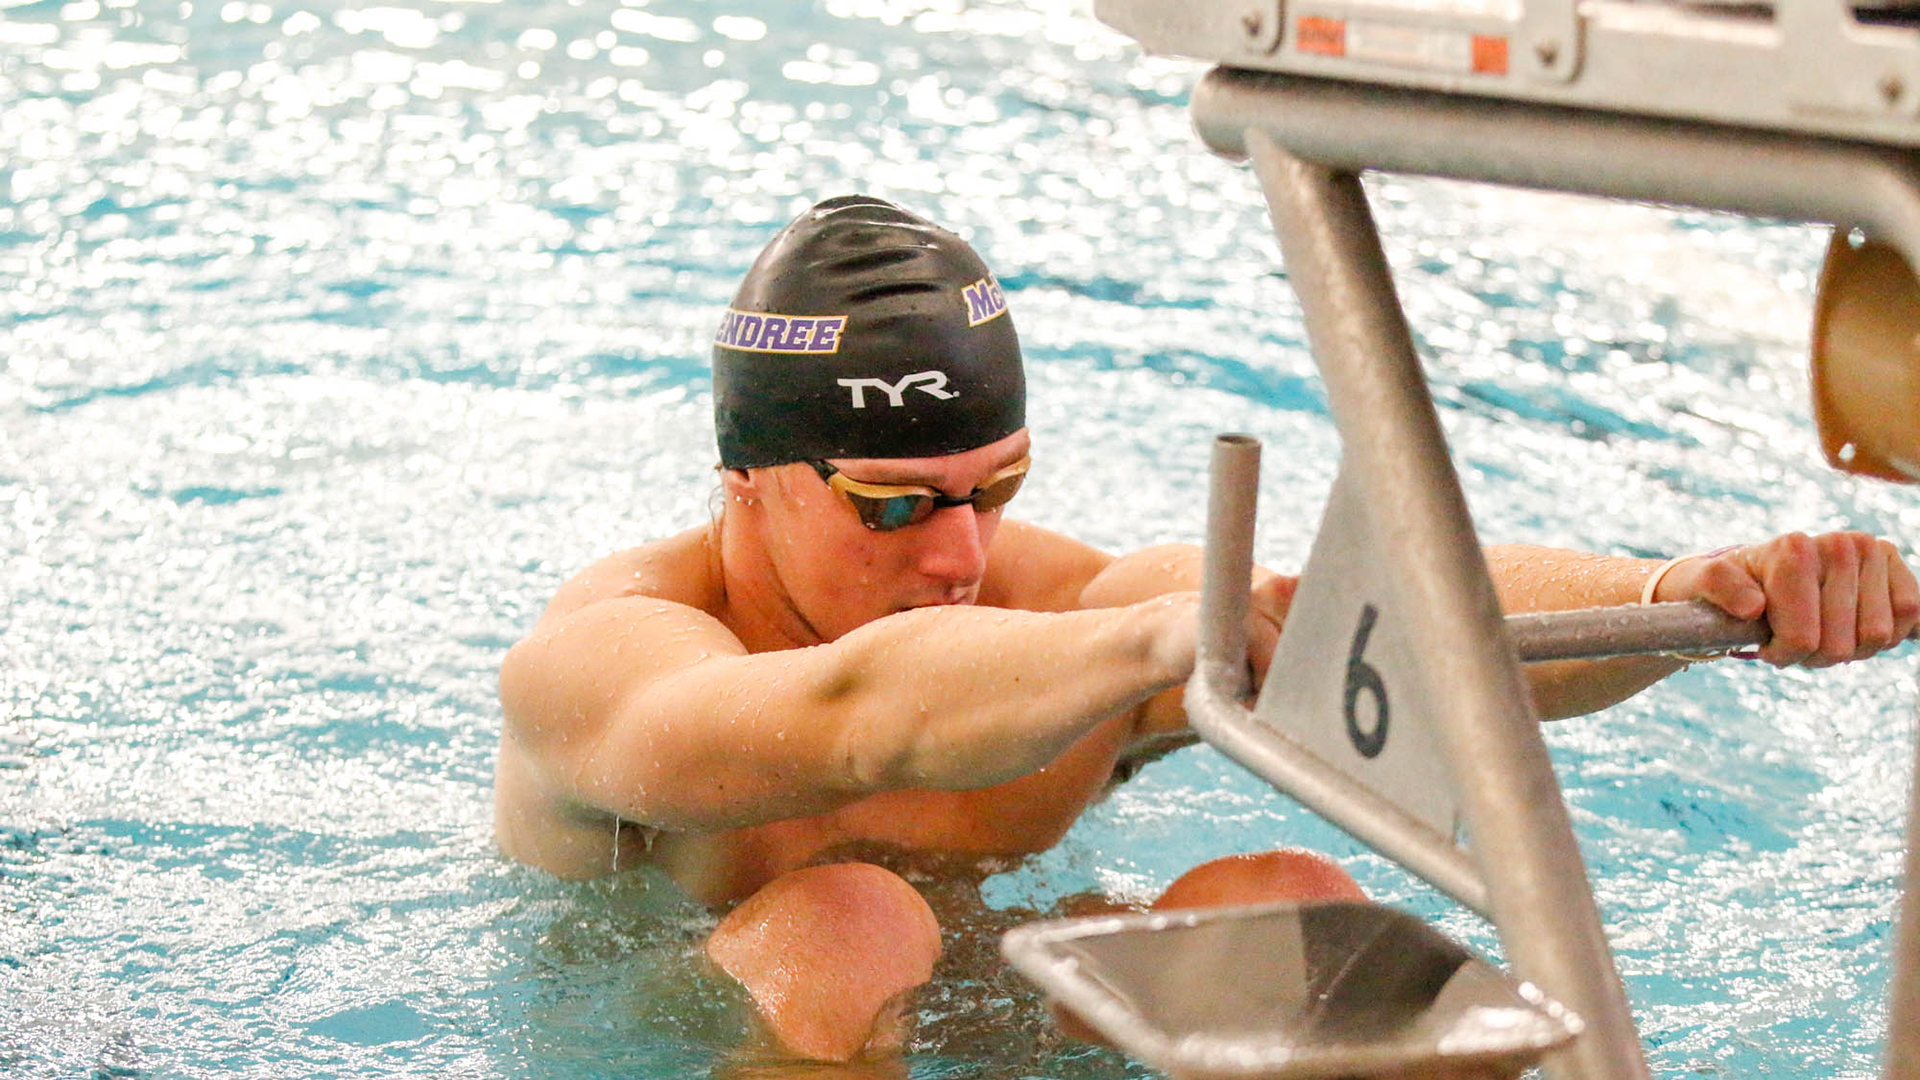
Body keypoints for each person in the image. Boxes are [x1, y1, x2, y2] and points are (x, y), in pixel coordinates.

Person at [494, 195, 1920, 1065]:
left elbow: (1390, 616)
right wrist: (1146, 648)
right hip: (675, 1038)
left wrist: (1690, 594)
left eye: (996, 491)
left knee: (1290, 912)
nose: (959, 552)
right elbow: (854, 714)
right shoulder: (612, 658)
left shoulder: (1049, 605)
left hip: (989, 1009)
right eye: (889, 506)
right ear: (746, 480)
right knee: (850, 922)